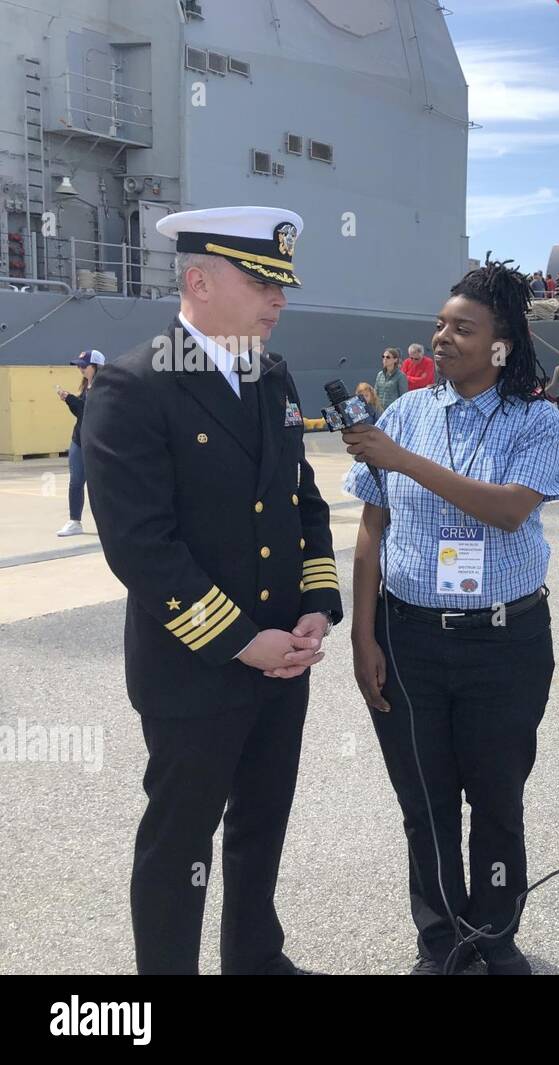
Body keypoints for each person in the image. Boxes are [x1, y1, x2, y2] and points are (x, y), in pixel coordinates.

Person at [81, 206, 343, 975]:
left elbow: (302, 499)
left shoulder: (272, 376)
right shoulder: (134, 385)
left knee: (262, 824)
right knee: (180, 841)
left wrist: (313, 607)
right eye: (263, 280)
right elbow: (141, 546)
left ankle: (255, 959)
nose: (280, 299)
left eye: (281, 283)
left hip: (282, 657)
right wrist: (241, 641)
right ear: (198, 280)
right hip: (196, 668)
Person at [341, 259, 559, 977]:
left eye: (462, 328)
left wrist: (402, 461)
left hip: (506, 644)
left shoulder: (534, 419)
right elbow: (371, 529)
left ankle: (494, 939)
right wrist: (362, 633)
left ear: (501, 344)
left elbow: (506, 509)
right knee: (425, 804)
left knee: (497, 801)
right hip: (408, 640)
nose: (442, 337)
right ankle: (441, 942)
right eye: (439, 323)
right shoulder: (403, 413)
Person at [55, 349, 104, 536]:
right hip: (79, 439)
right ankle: (74, 521)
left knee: (98, 484)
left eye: (84, 366)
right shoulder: (86, 386)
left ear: (96, 367)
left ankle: (107, 523)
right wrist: (69, 400)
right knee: (76, 481)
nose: (80, 369)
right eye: (79, 365)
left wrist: (70, 399)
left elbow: (88, 412)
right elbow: (80, 414)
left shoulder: (103, 387)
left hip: (96, 441)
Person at [374, 347, 409, 412]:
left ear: (395, 360)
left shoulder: (400, 376)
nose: (385, 359)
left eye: (388, 357)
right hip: (380, 411)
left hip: (393, 411)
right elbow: (375, 393)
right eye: (383, 357)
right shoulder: (380, 375)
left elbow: (404, 396)